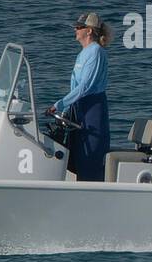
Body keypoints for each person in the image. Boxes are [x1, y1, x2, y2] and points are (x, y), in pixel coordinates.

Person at [45, 12, 112, 182]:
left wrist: (59, 105)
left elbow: (84, 87)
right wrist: (66, 109)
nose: (75, 29)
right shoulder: (83, 53)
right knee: (75, 155)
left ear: (89, 31)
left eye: (79, 27)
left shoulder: (95, 51)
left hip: (92, 109)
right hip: (78, 107)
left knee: (90, 156)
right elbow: (75, 86)